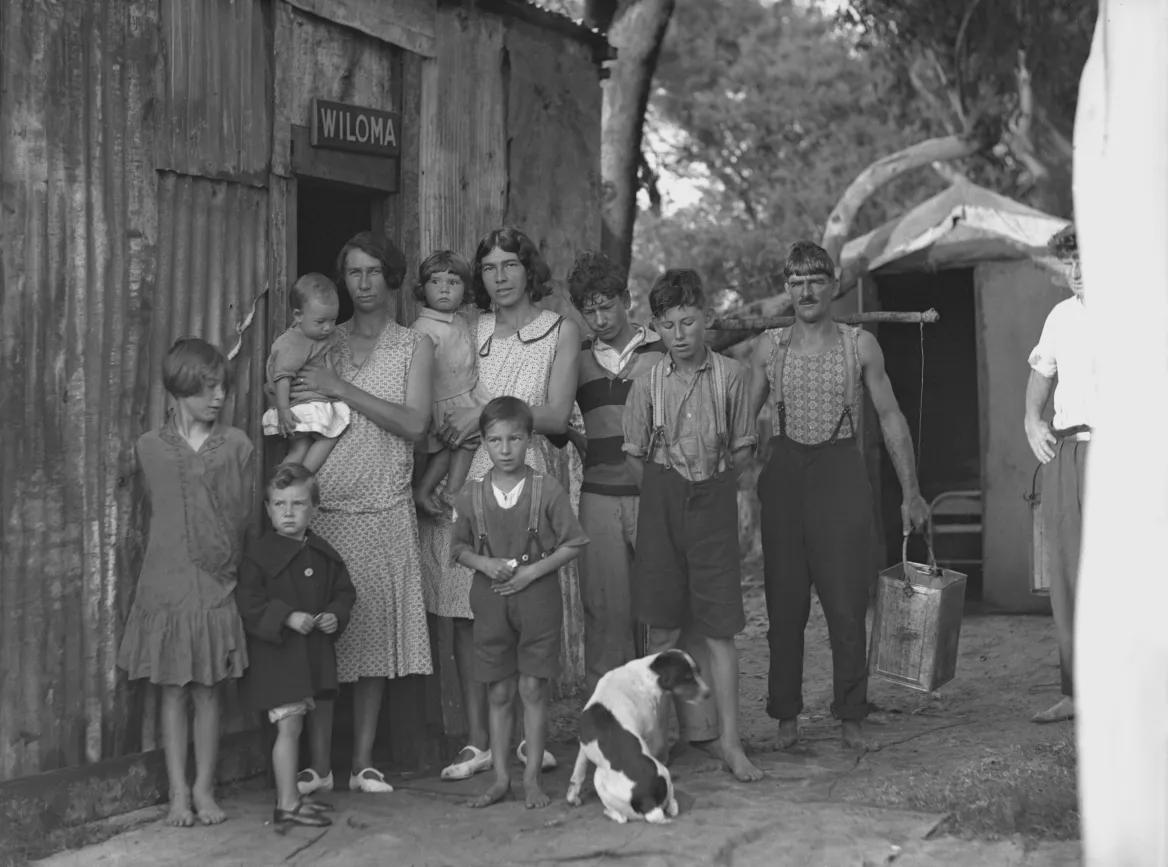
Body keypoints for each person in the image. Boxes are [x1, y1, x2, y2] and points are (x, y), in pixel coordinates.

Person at [747, 240, 929, 752]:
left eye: (815, 281)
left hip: (841, 476)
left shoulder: (860, 345)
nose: (806, 291)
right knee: (784, 607)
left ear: (832, 285)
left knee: (847, 606)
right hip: (784, 477)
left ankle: (851, 714)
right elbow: (743, 421)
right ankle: (786, 716)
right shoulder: (770, 346)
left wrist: (911, 492)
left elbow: (891, 417)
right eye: (796, 282)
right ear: (786, 289)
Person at [418, 227, 579, 783]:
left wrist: (487, 416)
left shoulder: (559, 330)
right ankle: (479, 740)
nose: (501, 277)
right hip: (472, 475)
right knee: (470, 611)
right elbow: (448, 397)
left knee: (525, 604)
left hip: (526, 476)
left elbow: (558, 414)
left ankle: (521, 740)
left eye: (510, 265)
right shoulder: (473, 328)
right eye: (489, 268)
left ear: (528, 270)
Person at [291, 231, 434, 795]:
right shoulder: (322, 339)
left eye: (374, 271)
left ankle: (365, 762)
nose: (364, 283)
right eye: (353, 272)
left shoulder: (413, 346)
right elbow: (300, 411)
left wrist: (341, 389)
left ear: (391, 275)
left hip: (384, 509)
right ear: (342, 279)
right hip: (325, 509)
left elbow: (415, 424)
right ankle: (320, 765)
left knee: (372, 636)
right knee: (326, 639)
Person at [622, 269, 763, 782]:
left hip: (714, 505)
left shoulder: (732, 377)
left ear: (706, 318)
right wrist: (667, 490)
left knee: (721, 628)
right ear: (655, 328)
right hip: (661, 505)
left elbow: (745, 449)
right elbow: (636, 457)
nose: (679, 335)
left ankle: (730, 742)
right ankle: (657, 742)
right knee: (660, 626)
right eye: (668, 326)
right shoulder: (646, 384)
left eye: (688, 322)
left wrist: (710, 483)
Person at [117, 338, 254, 826]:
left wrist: (228, 572)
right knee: (171, 691)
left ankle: (204, 789)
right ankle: (177, 794)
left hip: (215, 584)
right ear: (179, 389)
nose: (218, 397)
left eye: (222, 387)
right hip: (166, 581)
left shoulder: (236, 444)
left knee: (209, 691)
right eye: (207, 387)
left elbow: (240, 519)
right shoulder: (150, 448)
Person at [450, 397, 588, 809]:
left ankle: (531, 780)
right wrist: (485, 562)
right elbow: (457, 549)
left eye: (514, 439)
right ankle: (499, 780)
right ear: (483, 443)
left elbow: (575, 542)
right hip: (490, 603)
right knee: (498, 691)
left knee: (531, 687)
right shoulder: (471, 496)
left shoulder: (546, 489)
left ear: (529, 440)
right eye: (495, 440)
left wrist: (533, 571)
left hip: (538, 600)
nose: (505, 448)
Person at [236, 463, 356, 828]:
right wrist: (286, 616)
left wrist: (336, 614)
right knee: (288, 727)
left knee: (297, 725)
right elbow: (247, 601)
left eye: (298, 504)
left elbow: (344, 592)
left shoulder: (322, 553)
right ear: (268, 509)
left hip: (309, 657)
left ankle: (292, 798)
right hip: (279, 658)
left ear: (314, 508)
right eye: (279, 504)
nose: (288, 513)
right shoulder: (258, 556)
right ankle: (287, 802)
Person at [567, 250, 665, 690]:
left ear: (626, 299)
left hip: (655, 494)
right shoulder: (578, 360)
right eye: (589, 311)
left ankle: (666, 722)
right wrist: (577, 437)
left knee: (664, 608)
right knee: (605, 611)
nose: (600, 318)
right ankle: (611, 722)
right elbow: (558, 417)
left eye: (607, 306)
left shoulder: (661, 350)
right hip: (599, 498)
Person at [1024, 225, 1089, 725]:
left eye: (1086, 258)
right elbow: (1042, 374)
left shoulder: (1144, 309)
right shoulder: (1061, 317)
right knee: (1067, 576)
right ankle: (1075, 692)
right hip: (1067, 454)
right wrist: (1032, 421)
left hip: (1122, 455)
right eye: (1069, 262)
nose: (1077, 271)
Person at [409, 251, 491, 516]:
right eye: (436, 282)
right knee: (461, 442)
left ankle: (430, 490)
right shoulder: (422, 329)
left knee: (454, 446)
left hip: (465, 393)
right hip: (444, 398)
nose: (444, 289)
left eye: (453, 283)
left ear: (465, 290)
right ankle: (447, 490)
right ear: (423, 289)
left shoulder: (461, 321)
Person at [261, 273, 351, 473]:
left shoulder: (318, 337)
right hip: (301, 407)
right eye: (320, 322)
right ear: (298, 315)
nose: (328, 327)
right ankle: (303, 476)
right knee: (332, 433)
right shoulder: (294, 342)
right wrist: (284, 410)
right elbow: (282, 377)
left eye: (333, 320)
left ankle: (283, 482)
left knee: (300, 447)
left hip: (307, 403)